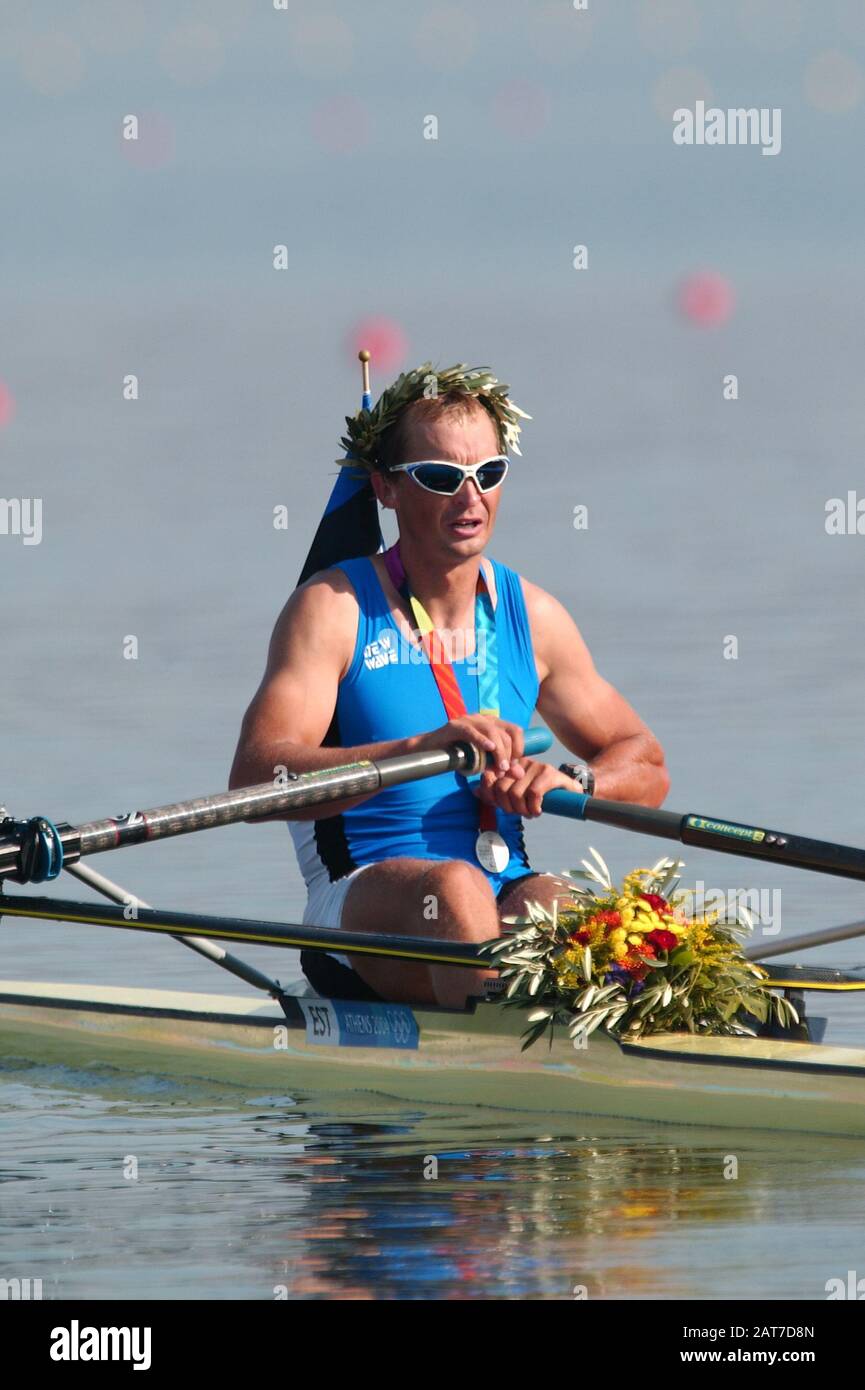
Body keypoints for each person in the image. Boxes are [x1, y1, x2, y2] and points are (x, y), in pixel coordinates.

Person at [230, 362, 669, 1007]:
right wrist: (416, 750)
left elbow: (648, 764)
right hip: (360, 900)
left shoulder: (535, 617)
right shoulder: (332, 610)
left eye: (488, 474)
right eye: (440, 477)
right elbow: (254, 780)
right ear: (385, 488)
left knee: (571, 910)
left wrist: (572, 780)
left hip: (502, 887)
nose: (471, 498)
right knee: (457, 890)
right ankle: (503, 1066)